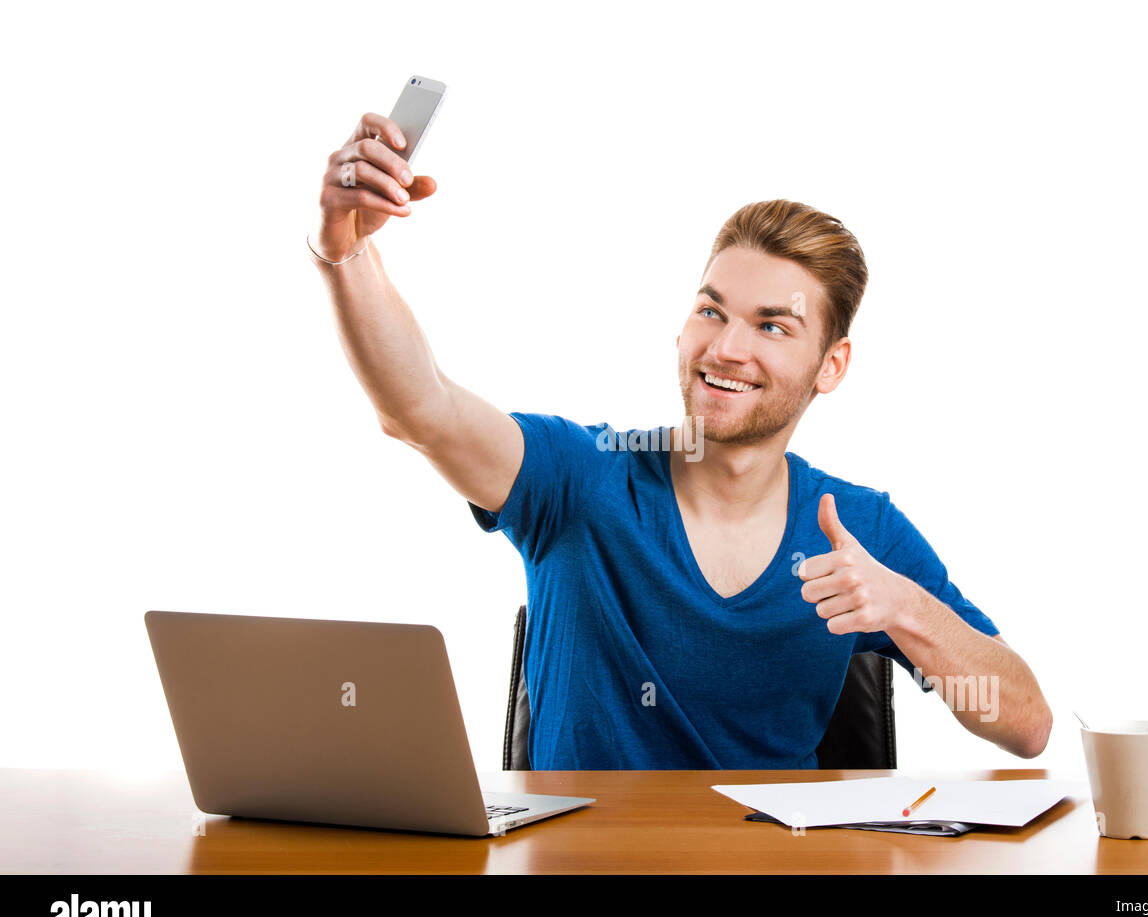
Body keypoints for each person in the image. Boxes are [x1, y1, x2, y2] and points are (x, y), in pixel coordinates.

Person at [309, 112, 1052, 768]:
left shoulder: (861, 532)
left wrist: (905, 609)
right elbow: (420, 409)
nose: (727, 348)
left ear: (832, 366)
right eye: (711, 311)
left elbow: (1026, 725)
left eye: (772, 326)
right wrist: (342, 246)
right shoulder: (580, 479)